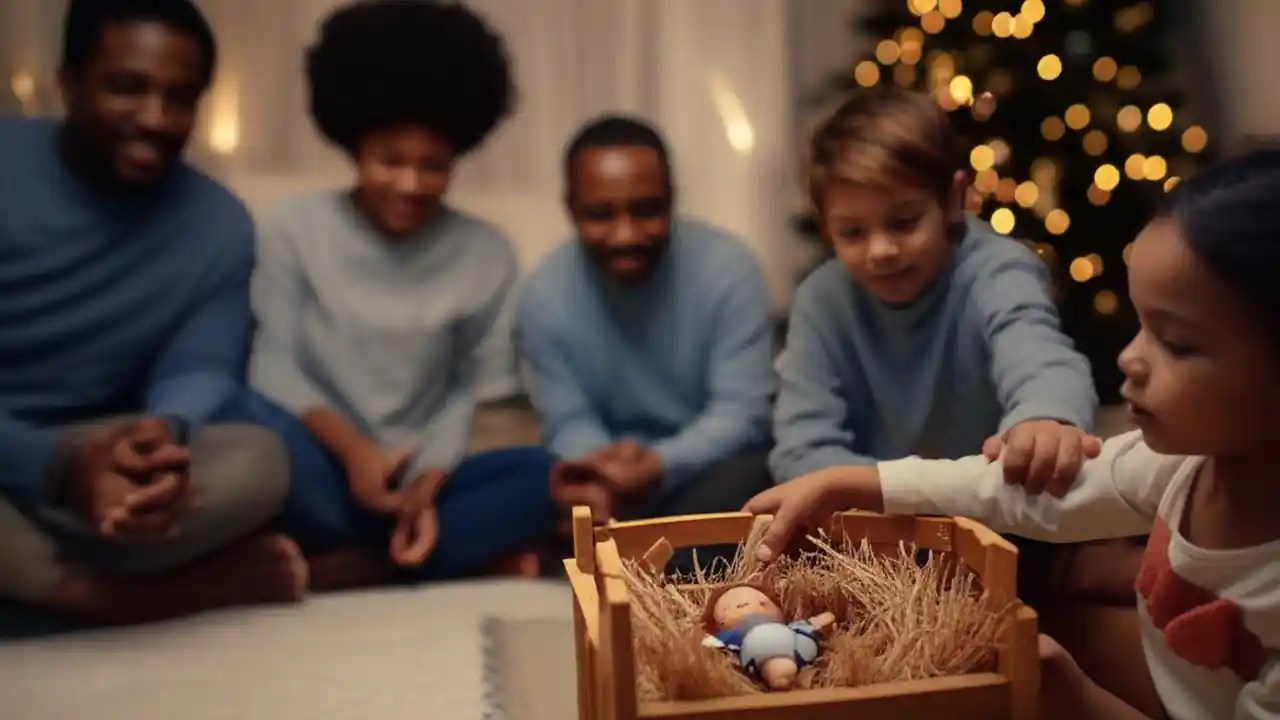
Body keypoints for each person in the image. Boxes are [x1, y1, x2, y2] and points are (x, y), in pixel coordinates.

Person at [745, 150, 1280, 718]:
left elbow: (1036, 355)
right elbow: (1030, 496)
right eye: (1140, 325)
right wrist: (853, 482)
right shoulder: (1178, 467)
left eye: (1177, 343)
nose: (1128, 358)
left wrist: (1082, 701)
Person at [236, 0, 572, 587]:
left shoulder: (486, 251)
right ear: (353, 148)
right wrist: (356, 454)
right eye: (390, 161)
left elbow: (475, 389)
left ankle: (355, 564)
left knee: (546, 478)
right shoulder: (292, 229)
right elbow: (272, 367)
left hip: (428, 473)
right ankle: (429, 554)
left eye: (434, 166)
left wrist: (428, 480)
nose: (411, 184)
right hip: (322, 461)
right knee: (250, 441)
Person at [0, 0, 299, 625]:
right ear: (69, 83)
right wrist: (55, 470)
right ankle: (107, 598)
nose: (156, 119)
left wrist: (161, 437)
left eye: (180, 98)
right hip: (40, 457)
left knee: (262, 460)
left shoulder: (218, 224)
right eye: (127, 88)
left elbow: (201, 363)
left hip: (93, 450)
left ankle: (37, 583)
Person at [771, 87, 1100, 491]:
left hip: (991, 505)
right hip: (872, 516)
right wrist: (898, 493)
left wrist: (1045, 418)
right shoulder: (821, 300)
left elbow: (1041, 359)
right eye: (852, 232)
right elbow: (800, 446)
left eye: (905, 222)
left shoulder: (996, 270)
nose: (881, 251)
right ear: (826, 229)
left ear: (953, 199)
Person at [517, 116, 776, 529]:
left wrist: (658, 464)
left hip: (709, 470)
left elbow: (742, 413)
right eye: (600, 215)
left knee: (756, 483)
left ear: (672, 199)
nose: (625, 235)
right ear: (570, 208)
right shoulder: (543, 293)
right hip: (604, 480)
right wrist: (601, 476)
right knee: (520, 487)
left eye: (646, 210)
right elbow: (567, 420)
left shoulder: (730, 270)